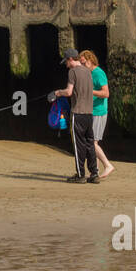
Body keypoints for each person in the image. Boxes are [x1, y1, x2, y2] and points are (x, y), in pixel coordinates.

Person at [49, 49, 99, 183]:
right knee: (90, 143)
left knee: (78, 145)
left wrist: (57, 93)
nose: (65, 64)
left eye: (66, 61)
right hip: (89, 113)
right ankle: (94, 174)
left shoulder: (72, 72)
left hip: (77, 113)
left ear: (71, 59)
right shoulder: (88, 71)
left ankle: (80, 175)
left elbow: (69, 92)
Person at [79, 50, 114, 178]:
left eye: (84, 63)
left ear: (90, 60)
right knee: (92, 143)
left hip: (99, 112)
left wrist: (90, 91)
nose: (82, 66)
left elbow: (106, 93)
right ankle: (96, 171)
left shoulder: (99, 73)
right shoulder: (89, 73)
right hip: (92, 111)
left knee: (92, 143)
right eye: (81, 63)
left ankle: (107, 165)